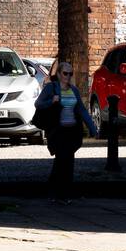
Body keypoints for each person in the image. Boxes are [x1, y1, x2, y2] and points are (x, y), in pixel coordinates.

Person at [35, 60, 98, 204]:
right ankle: (60, 194)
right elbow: (38, 104)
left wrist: (92, 128)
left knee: (66, 162)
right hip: (58, 131)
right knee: (62, 161)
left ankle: (58, 192)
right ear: (58, 74)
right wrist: (52, 101)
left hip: (72, 131)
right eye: (65, 73)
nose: (68, 76)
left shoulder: (73, 90)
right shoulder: (51, 88)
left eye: (70, 74)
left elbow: (81, 109)